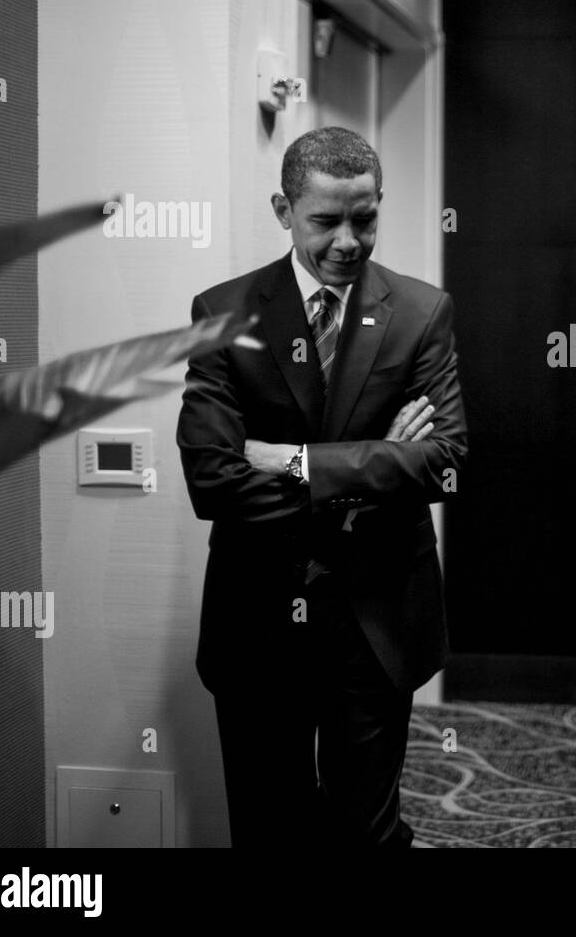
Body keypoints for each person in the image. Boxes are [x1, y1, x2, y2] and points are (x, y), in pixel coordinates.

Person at [177, 126, 467, 847]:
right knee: (269, 826)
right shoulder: (223, 314)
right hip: (259, 616)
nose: (347, 240)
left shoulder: (423, 312)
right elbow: (213, 479)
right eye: (325, 220)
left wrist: (299, 463)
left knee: (363, 830)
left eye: (364, 217)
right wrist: (376, 465)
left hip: (375, 616)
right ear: (284, 209)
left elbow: (446, 459)